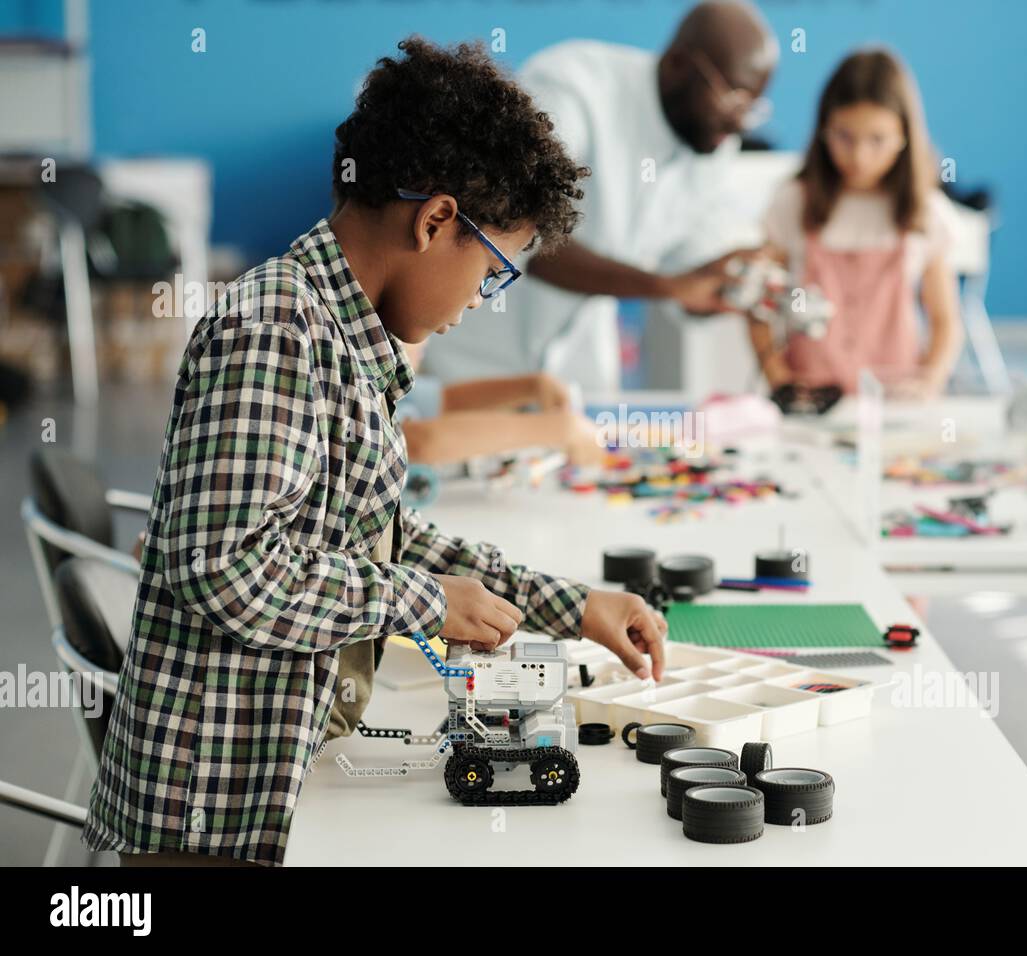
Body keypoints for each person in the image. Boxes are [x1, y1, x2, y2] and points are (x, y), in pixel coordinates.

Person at [82, 39, 666, 868]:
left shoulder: (344, 338)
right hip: (211, 814)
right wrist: (421, 602)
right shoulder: (277, 331)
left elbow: (379, 535)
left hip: (274, 773)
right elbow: (220, 567)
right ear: (435, 220)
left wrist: (567, 605)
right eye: (493, 270)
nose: (480, 302)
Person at [423, 0, 779, 393]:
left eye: (752, 106)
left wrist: (724, 283)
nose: (740, 121)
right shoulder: (574, 84)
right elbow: (521, 236)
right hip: (476, 356)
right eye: (731, 97)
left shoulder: (712, 140)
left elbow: (686, 263)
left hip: (579, 367)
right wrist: (666, 286)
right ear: (679, 63)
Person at [750, 48, 963, 397]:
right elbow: (761, 310)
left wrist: (929, 382)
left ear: (904, 138)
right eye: (844, 137)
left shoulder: (925, 213)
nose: (860, 156)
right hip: (811, 407)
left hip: (894, 408)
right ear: (823, 130)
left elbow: (945, 321)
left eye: (877, 140)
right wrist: (780, 380)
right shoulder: (792, 204)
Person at [396, 339, 603, 469]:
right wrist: (558, 429)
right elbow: (417, 443)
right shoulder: (371, 387)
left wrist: (531, 386)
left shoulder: (398, 382)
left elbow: (445, 402)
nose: (428, 339)